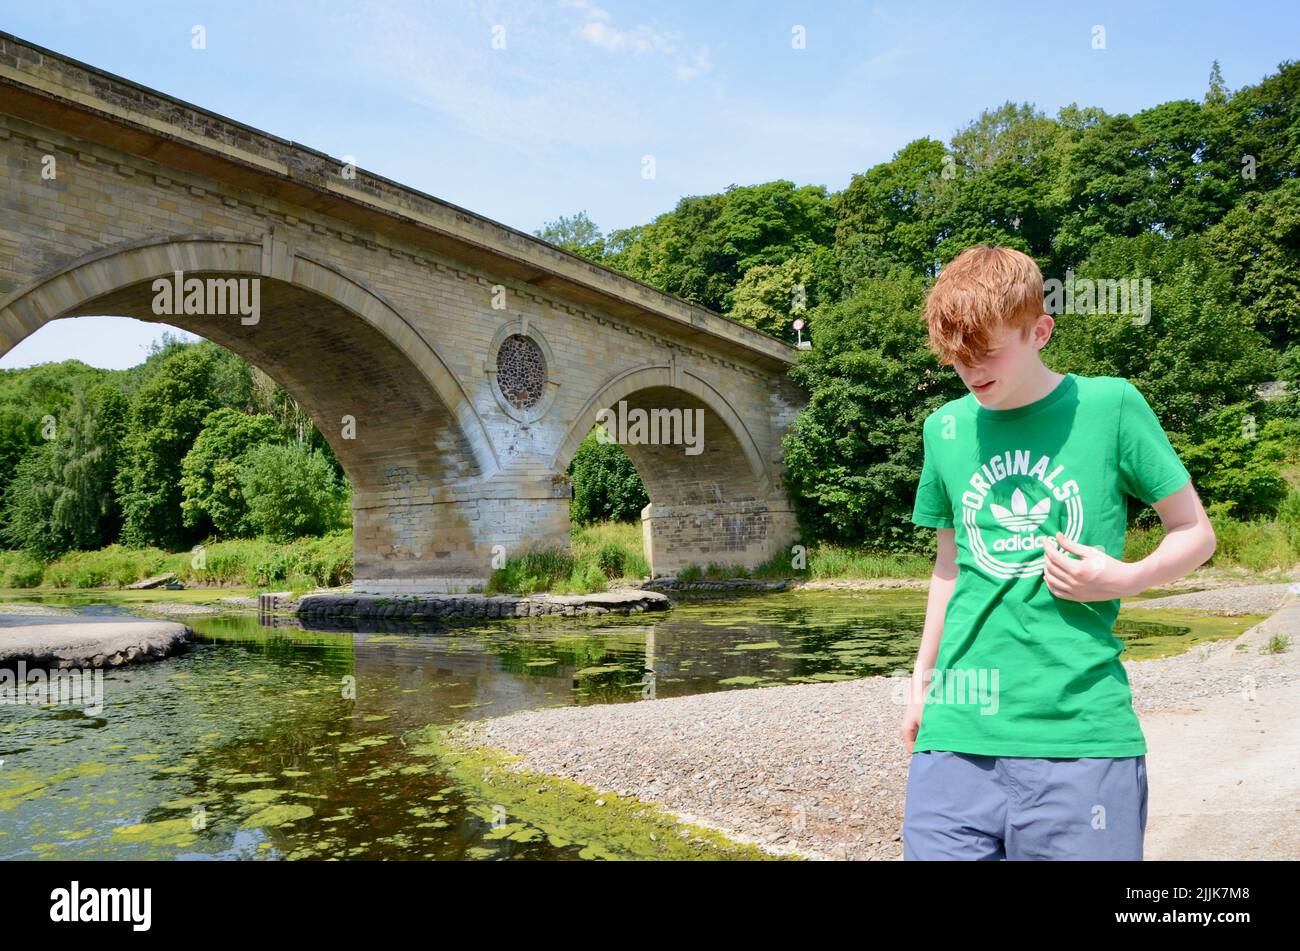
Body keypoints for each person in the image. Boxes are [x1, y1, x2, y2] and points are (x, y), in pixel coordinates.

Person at [900, 245, 1217, 860]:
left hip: (1082, 738)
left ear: (1040, 330)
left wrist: (1124, 577)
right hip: (955, 733)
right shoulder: (942, 430)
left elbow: (1195, 532)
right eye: (955, 357)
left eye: (986, 350)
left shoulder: (1110, 406)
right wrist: (922, 681)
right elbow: (948, 567)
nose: (970, 370)